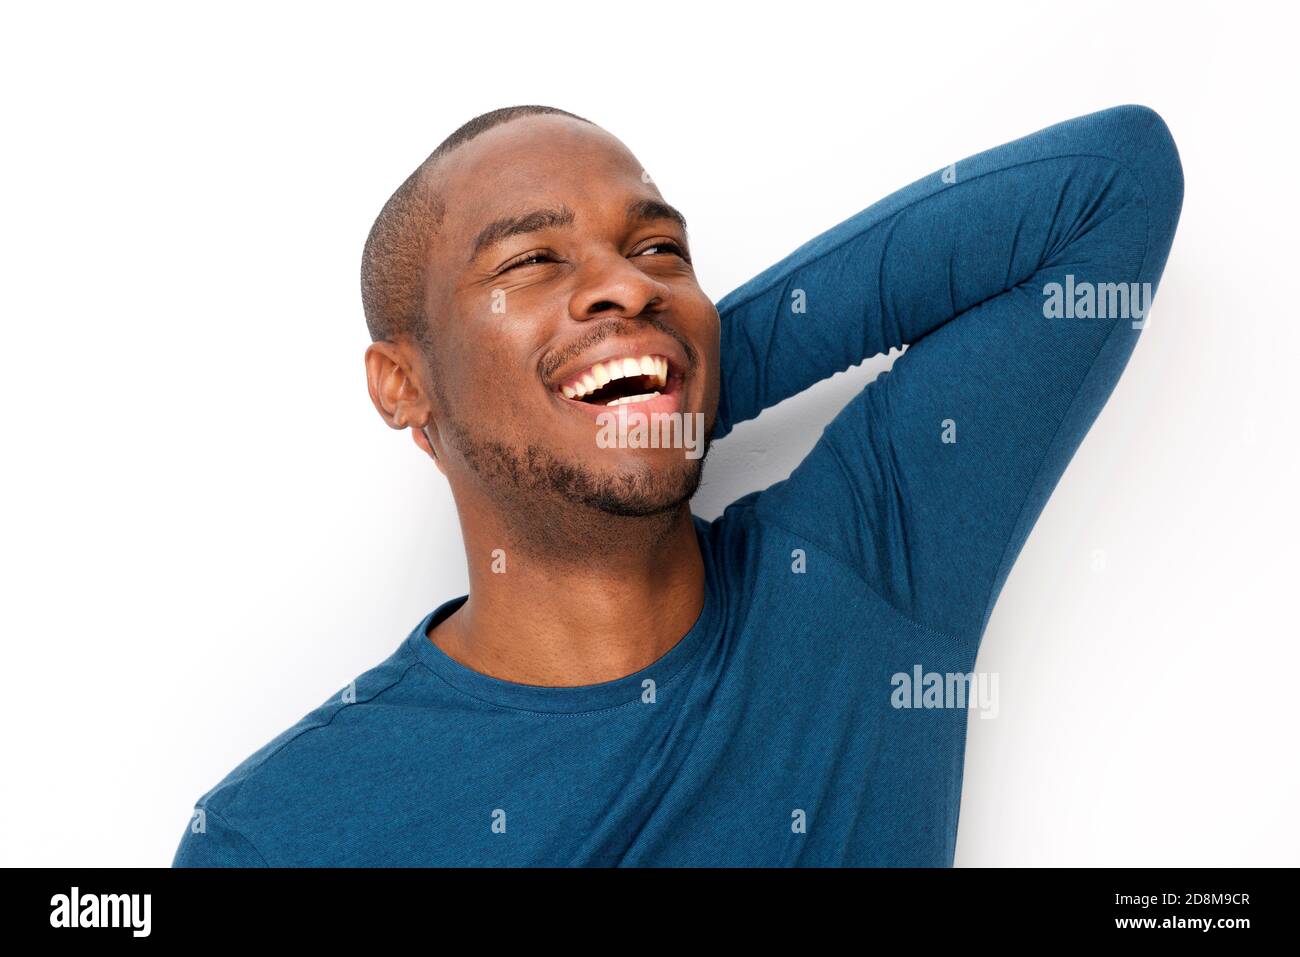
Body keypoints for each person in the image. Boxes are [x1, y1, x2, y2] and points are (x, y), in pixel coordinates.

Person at [172, 103, 1183, 866]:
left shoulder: (859, 583)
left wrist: (668, 380)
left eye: (658, 250)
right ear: (404, 386)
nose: (629, 282)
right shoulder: (274, 836)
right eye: (529, 261)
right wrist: (611, 387)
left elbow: (1113, 186)